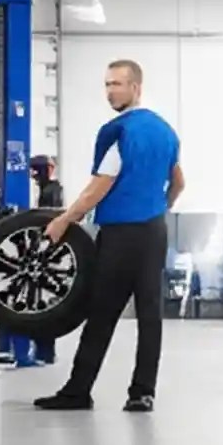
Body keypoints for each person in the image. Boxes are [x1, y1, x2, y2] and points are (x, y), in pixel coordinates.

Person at [33, 59, 185, 412]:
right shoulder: (166, 131)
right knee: (150, 314)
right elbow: (178, 183)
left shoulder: (116, 131)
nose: (110, 92)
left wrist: (64, 220)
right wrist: (159, 206)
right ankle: (142, 393)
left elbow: (99, 187)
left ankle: (77, 391)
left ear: (136, 87)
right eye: (107, 85)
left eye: (117, 84)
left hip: (120, 235)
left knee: (102, 313)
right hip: (154, 232)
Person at [29, 155, 64, 365]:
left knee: (44, 300)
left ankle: (45, 350)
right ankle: (43, 349)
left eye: (36, 171)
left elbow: (48, 218)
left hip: (48, 251)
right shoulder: (45, 189)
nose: (33, 176)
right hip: (45, 249)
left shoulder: (52, 191)